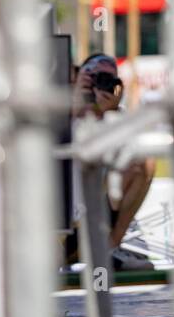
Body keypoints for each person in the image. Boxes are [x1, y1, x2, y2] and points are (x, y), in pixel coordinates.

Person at [65, 53, 156, 272]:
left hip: (98, 221)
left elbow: (138, 155)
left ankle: (109, 249)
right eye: (93, 77)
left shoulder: (115, 116)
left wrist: (108, 110)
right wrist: (75, 101)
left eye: (107, 79)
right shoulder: (59, 111)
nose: (99, 84)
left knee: (144, 161)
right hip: (60, 228)